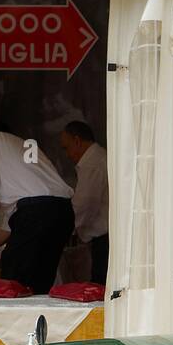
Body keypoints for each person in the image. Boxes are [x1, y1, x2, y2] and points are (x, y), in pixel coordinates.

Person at [0, 123, 75, 294]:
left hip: (37, 213)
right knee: (39, 283)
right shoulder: (19, 148)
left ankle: (19, 319)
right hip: (63, 212)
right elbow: (8, 228)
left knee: (15, 282)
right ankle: (37, 319)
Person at [59, 121, 108, 285]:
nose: (67, 154)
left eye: (66, 147)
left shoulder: (92, 164)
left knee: (99, 289)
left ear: (77, 141)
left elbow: (84, 205)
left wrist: (64, 231)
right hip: (103, 237)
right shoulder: (99, 158)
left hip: (104, 239)